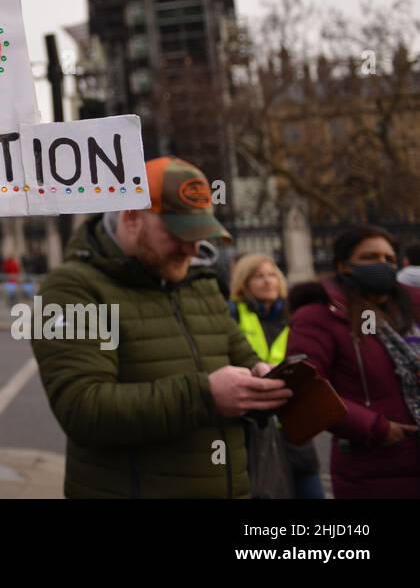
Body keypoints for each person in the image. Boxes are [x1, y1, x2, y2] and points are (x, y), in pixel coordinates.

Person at [32, 157, 292, 498]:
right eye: (178, 233)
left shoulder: (199, 280)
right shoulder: (69, 289)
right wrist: (206, 395)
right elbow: (82, 409)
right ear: (131, 218)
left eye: (200, 234)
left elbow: (242, 356)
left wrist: (260, 376)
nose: (192, 248)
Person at [287, 225, 420, 498]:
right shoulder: (318, 316)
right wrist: (377, 428)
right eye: (370, 258)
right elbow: (304, 388)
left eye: (389, 259)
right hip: (374, 471)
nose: (382, 265)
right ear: (343, 265)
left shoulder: (412, 307)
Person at [228, 253, 324, 498]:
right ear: (244, 282)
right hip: (254, 426)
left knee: (311, 489)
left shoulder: (295, 315)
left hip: (294, 420)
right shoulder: (232, 315)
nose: (268, 281)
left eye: (272, 274)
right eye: (259, 276)